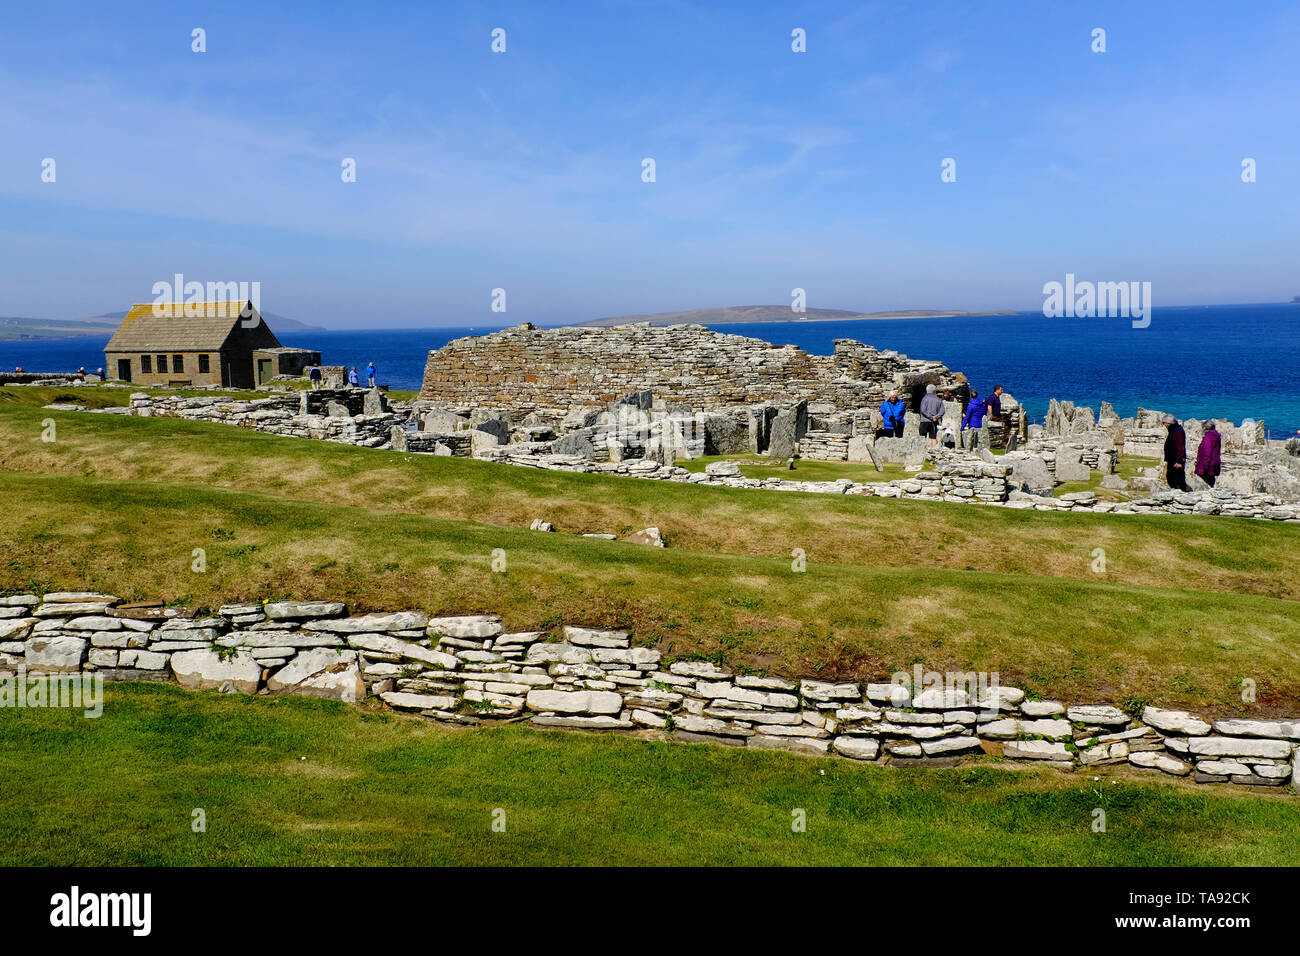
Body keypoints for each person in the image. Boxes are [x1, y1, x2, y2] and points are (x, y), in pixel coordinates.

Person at [1163, 413, 1189, 491]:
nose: (1164, 425)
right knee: (1171, 479)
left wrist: (1179, 462)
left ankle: (1181, 496)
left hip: (1176, 462)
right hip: (1172, 460)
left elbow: (1180, 447)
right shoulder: (1174, 430)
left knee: (1177, 481)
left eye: (1165, 423)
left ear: (1168, 423)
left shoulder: (1177, 432)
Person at [1195, 420, 1222, 487]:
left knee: (1205, 485)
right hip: (1214, 464)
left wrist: (1203, 468)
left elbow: (1207, 453)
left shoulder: (1209, 437)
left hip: (1208, 467)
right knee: (1211, 482)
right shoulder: (1215, 436)